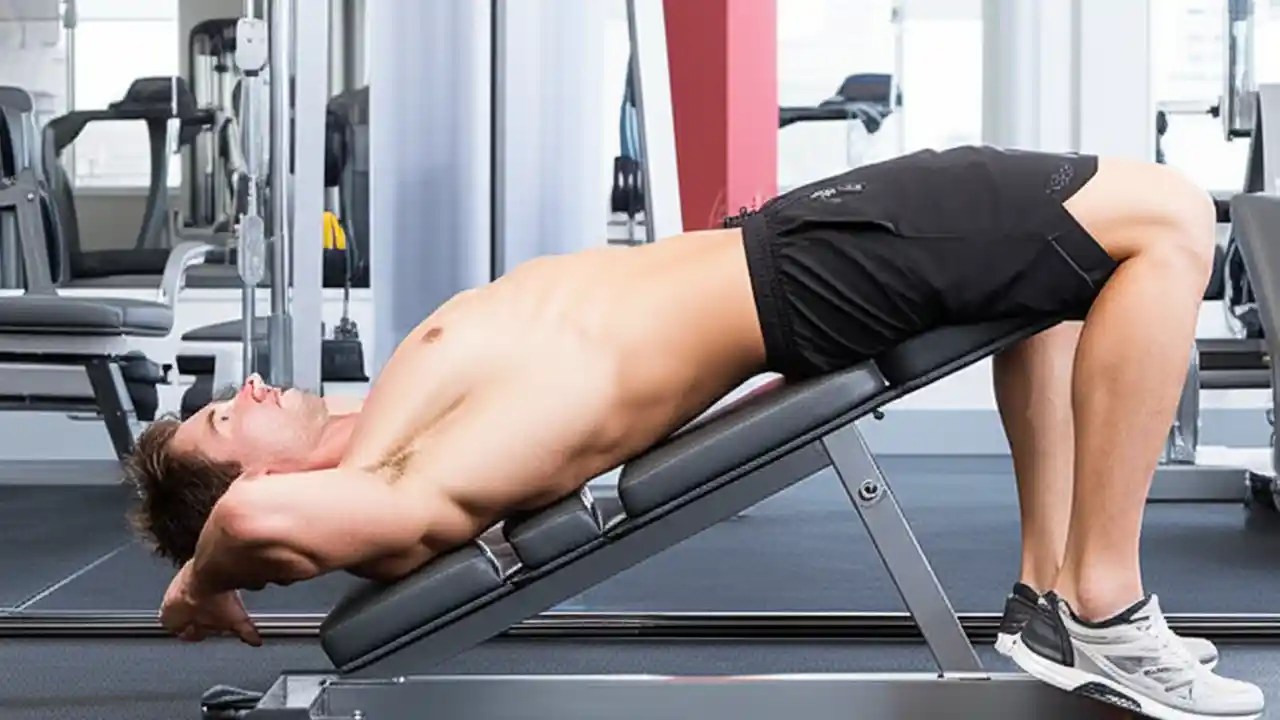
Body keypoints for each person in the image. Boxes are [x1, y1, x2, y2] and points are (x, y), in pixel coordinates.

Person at [127, 145, 1262, 720]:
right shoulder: (392, 490)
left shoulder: (393, 427)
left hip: (790, 253)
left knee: (1057, 273)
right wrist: (198, 584)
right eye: (229, 420)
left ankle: (1046, 601)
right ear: (239, 489)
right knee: (1167, 219)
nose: (254, 390)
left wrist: (211, 558)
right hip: (802, 279)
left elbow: (248, 506)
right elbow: (253, 517)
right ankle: (1105, 607)